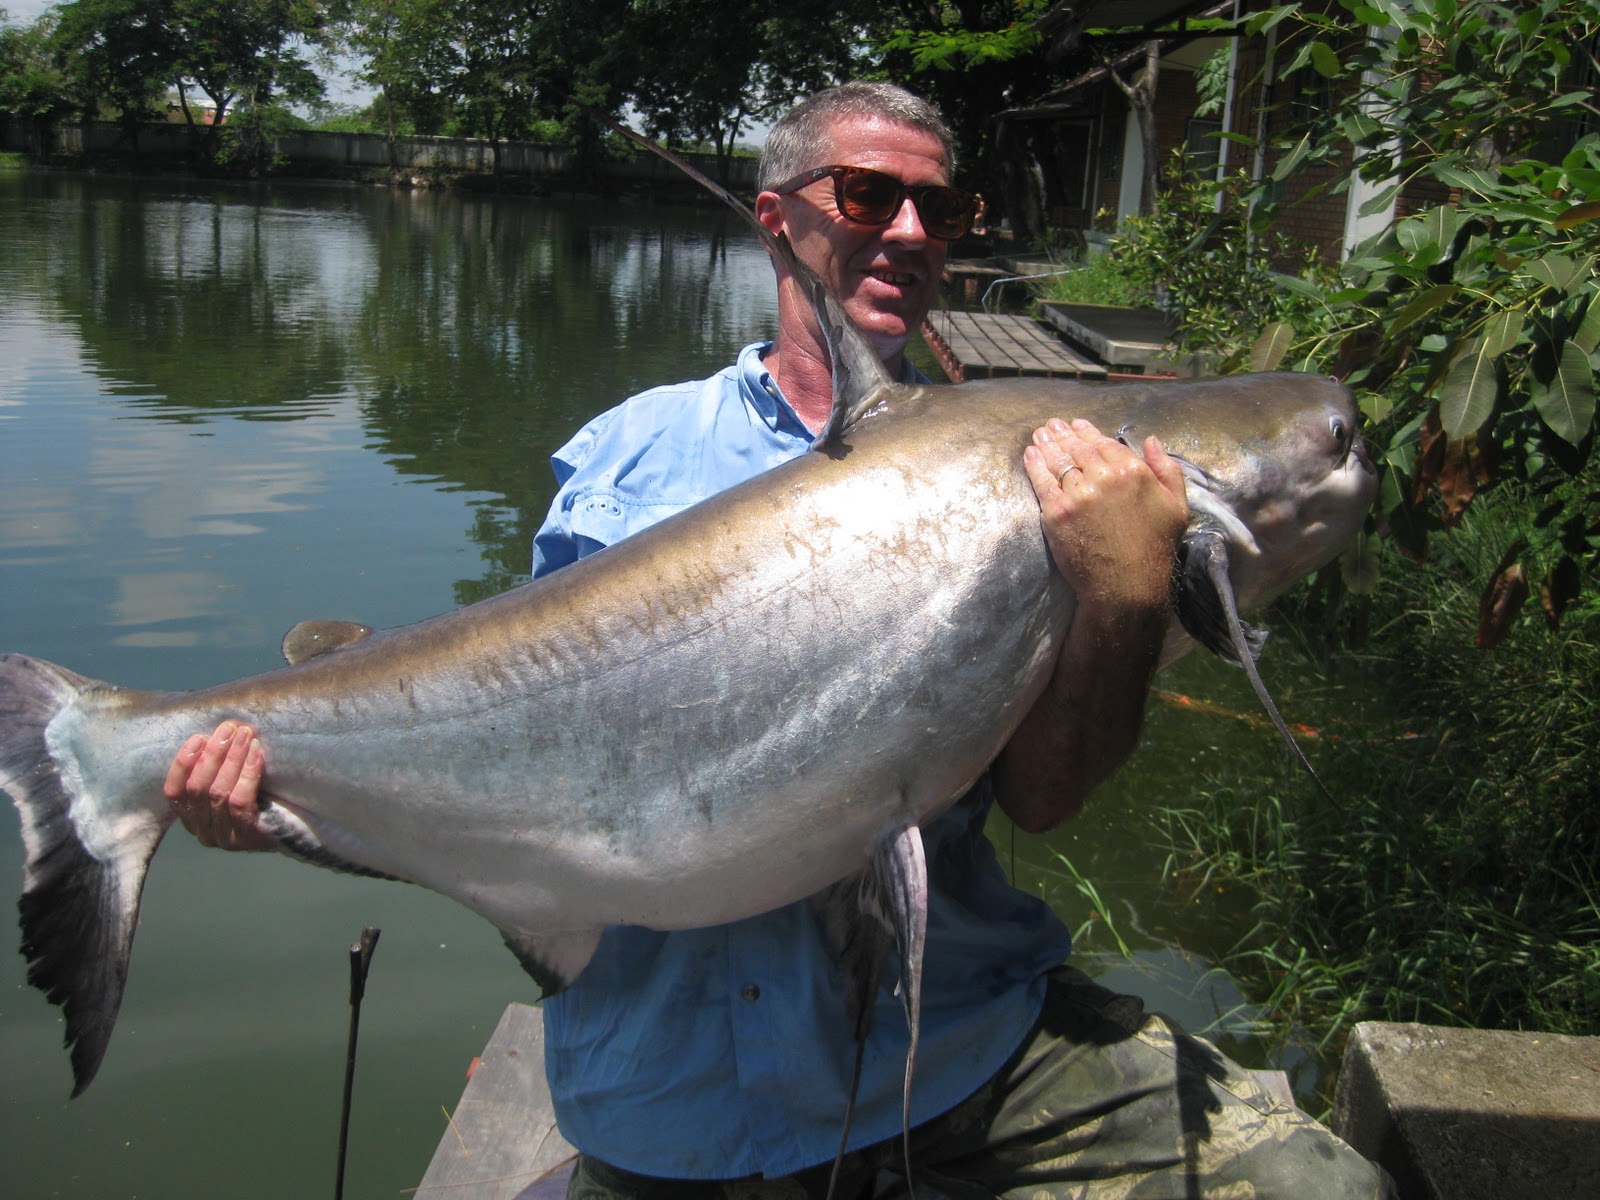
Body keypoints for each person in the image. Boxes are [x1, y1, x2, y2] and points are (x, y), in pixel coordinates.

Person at [166, 83, 1390, 1199]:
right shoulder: (631, 456)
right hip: (672, 1100)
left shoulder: (1052, 468)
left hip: (958, 1051)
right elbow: (510, 742)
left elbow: (1048, 798)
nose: (908, 232)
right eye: (868, 195)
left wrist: (1122, 600)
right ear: (775, 218)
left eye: (939, 206)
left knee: (1321, 1191)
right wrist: (287, 798)